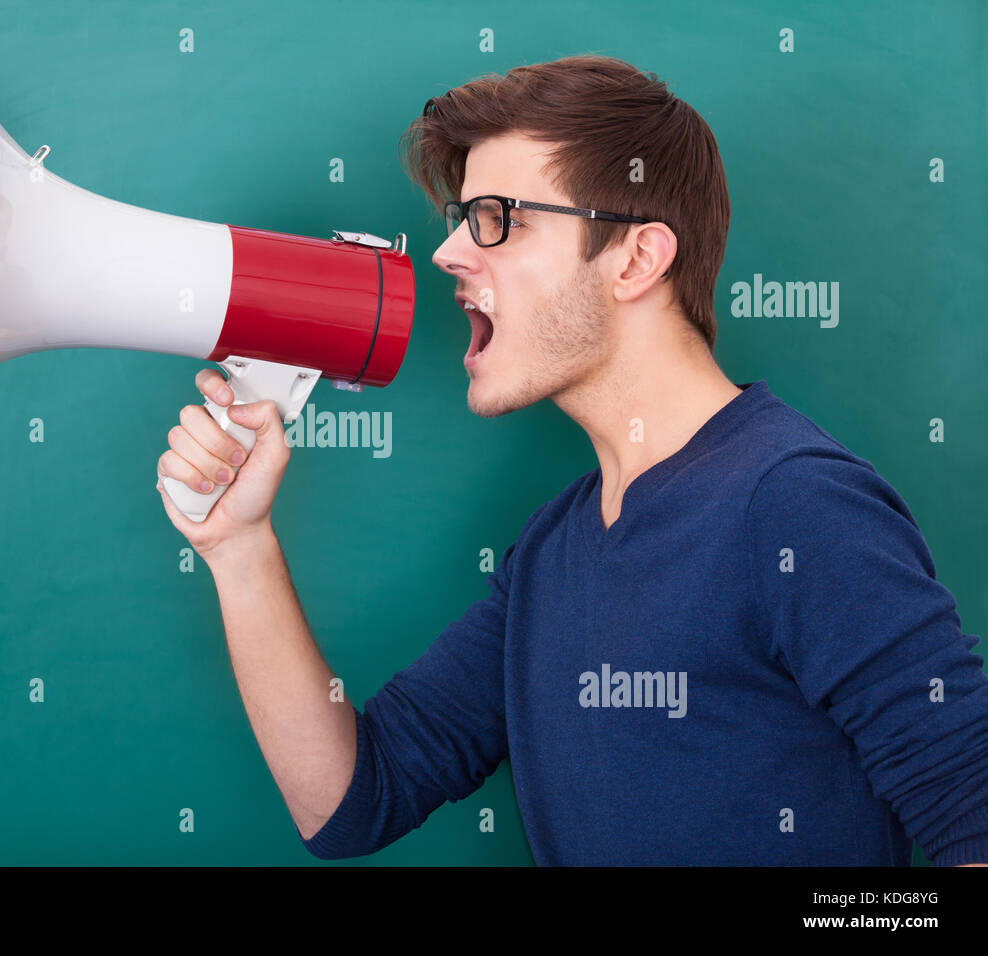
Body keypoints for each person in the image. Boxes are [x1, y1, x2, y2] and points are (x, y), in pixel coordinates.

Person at [154, 55, 988, 865]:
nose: (447, 255)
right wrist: (239, 548)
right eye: (460, 220)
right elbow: (352, 803)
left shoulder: (797, 505)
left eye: (497, 220)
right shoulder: (548, 554)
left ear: (636, 258)